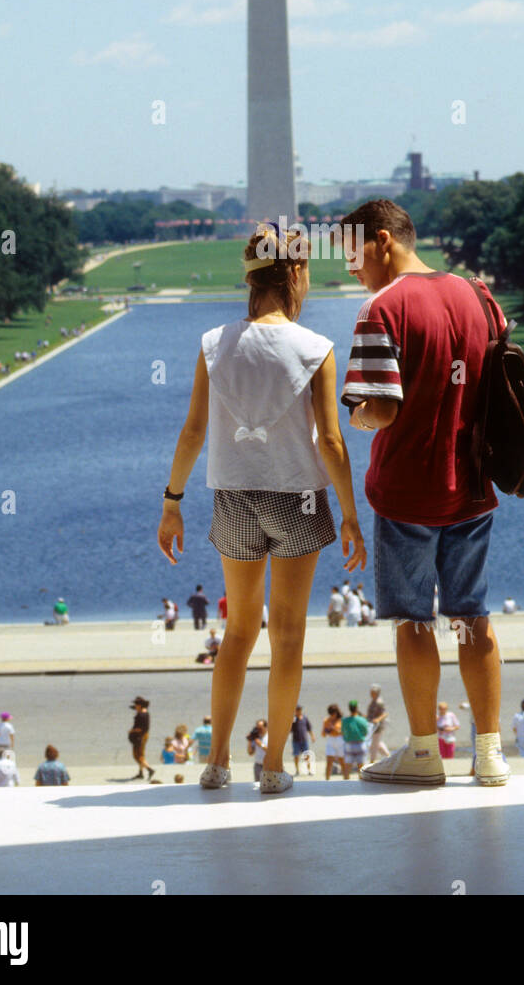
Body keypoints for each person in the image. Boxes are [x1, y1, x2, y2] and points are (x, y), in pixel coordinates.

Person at [158, 224, 366, 796]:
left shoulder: (211, 344)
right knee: (290, 635)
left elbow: (194, 430)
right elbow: (331, 442)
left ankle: (219, 760)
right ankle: (274, 764)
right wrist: (350, 513)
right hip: (298, 498)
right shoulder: (316, 347)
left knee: (238, 632)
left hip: (232, 496)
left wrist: (172, 503)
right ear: (296, 274)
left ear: (248, 278)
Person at [338, 200, 509, 788]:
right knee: (474, 620)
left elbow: (381, 408)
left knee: (413, 622)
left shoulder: (381, 308)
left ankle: (422, 753)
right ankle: (488, 754)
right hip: (474, 488)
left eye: (354, 257)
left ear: (381, 241)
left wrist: (353, 417)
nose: (352, 272)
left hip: (408, 491)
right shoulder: (479, 295)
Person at [341, 700, 370, 777]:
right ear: (357, 708)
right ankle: (361, 786)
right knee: (361, 768)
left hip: (349, 744)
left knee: (347, 767)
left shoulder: (345, 720)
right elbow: (366, 732)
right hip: (360, 744)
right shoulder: (363, 720)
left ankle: (345, 785)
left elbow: (343, 732)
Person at [128, 697, 154, 781]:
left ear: (139, 705)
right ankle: (141, 772)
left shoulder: (142, 715)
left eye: (136, 705)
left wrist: (132, 731)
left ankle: (149, 769)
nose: (135, 706)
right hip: (142, 736)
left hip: (140, 736)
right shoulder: (143, 713)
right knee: (141, 754)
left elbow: (142, 727)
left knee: (137, 755)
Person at [366, 685, 390, 761]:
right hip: (372, 726)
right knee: (377, 743)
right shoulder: (373, 701)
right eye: (371, 692)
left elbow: (385, 714)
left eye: (372, 693)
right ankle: (388, 756)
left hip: (377, 727)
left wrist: (377, 719)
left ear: (376, 693)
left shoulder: (379, 702)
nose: (371, 694)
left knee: (374, 744)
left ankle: (372, 761)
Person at [290, 705, 314, 775]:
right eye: (297, 710)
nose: (299, 711)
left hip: (304, 740)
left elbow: (309, 728)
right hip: (296, 740)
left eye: (300, 710)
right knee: (296, 756)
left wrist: (312, 736)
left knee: (307, 755)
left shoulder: (305, 718)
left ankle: (309, 770)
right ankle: (297, 770)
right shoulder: (293, 719)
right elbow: (289, 729)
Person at [322, 704, 344, 779]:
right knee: (329, 762)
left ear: (336, 712)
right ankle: (327, 780)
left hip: (340, 740)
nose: (332, 715)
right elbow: (323, 734)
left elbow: (343, 732)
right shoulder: (326, 720)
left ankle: (346, 779)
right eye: (330, 714)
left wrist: (334, 728)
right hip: (331, 740)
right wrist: (327, 730)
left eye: (333, 714)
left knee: (342, 762)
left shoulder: (341, 720)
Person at [247, 719, 268, 784]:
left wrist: (261, 744)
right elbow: (250, 753)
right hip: (258, 765)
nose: (259, 730)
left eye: (260, 728)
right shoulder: (256, 738)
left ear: (265, 727)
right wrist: (250, 741)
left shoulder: (270, 736)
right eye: (257, 728)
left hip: (268, 765)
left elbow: (272, 752)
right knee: (257, 784)